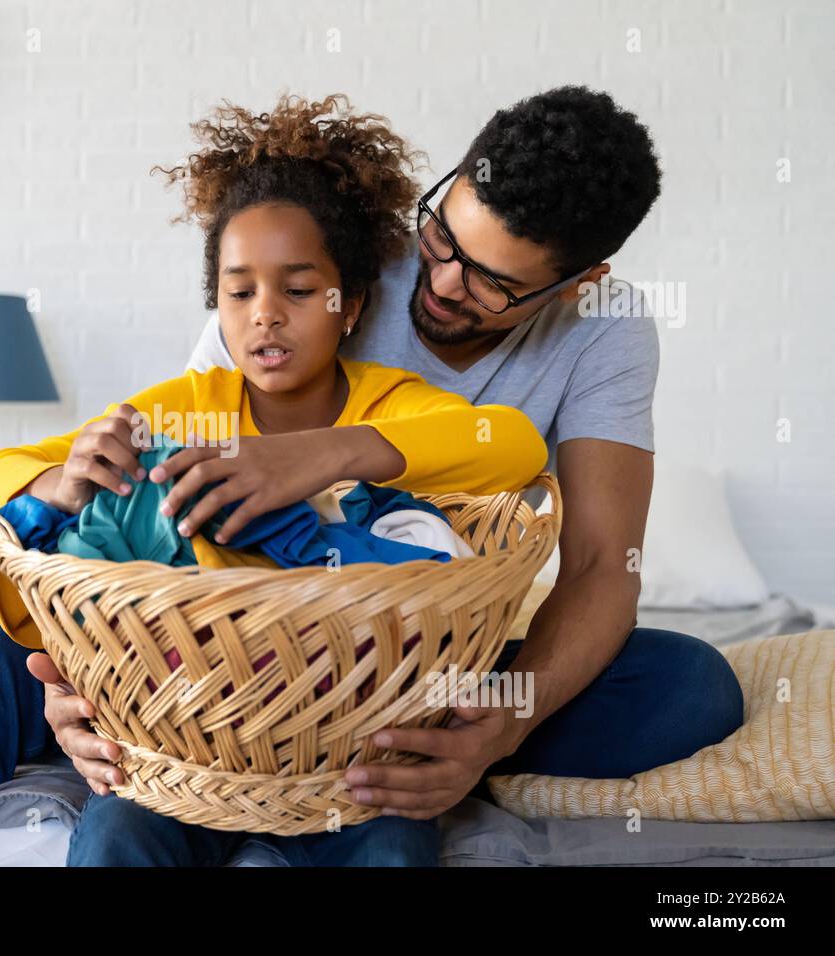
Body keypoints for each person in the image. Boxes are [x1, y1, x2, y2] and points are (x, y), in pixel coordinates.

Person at [49, 86, 745, 823]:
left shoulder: (607, 329)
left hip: (436, 650)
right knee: (8, 666)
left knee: (690, 687)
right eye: (444, 239)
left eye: (495, 283)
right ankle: (306, 751)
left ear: (579, 285)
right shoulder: (329, 266)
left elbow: (605, 568)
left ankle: (402, 753)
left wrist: (501, 728)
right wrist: (85, 683)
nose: (443, 284)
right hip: (251, 641)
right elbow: (177, 485)